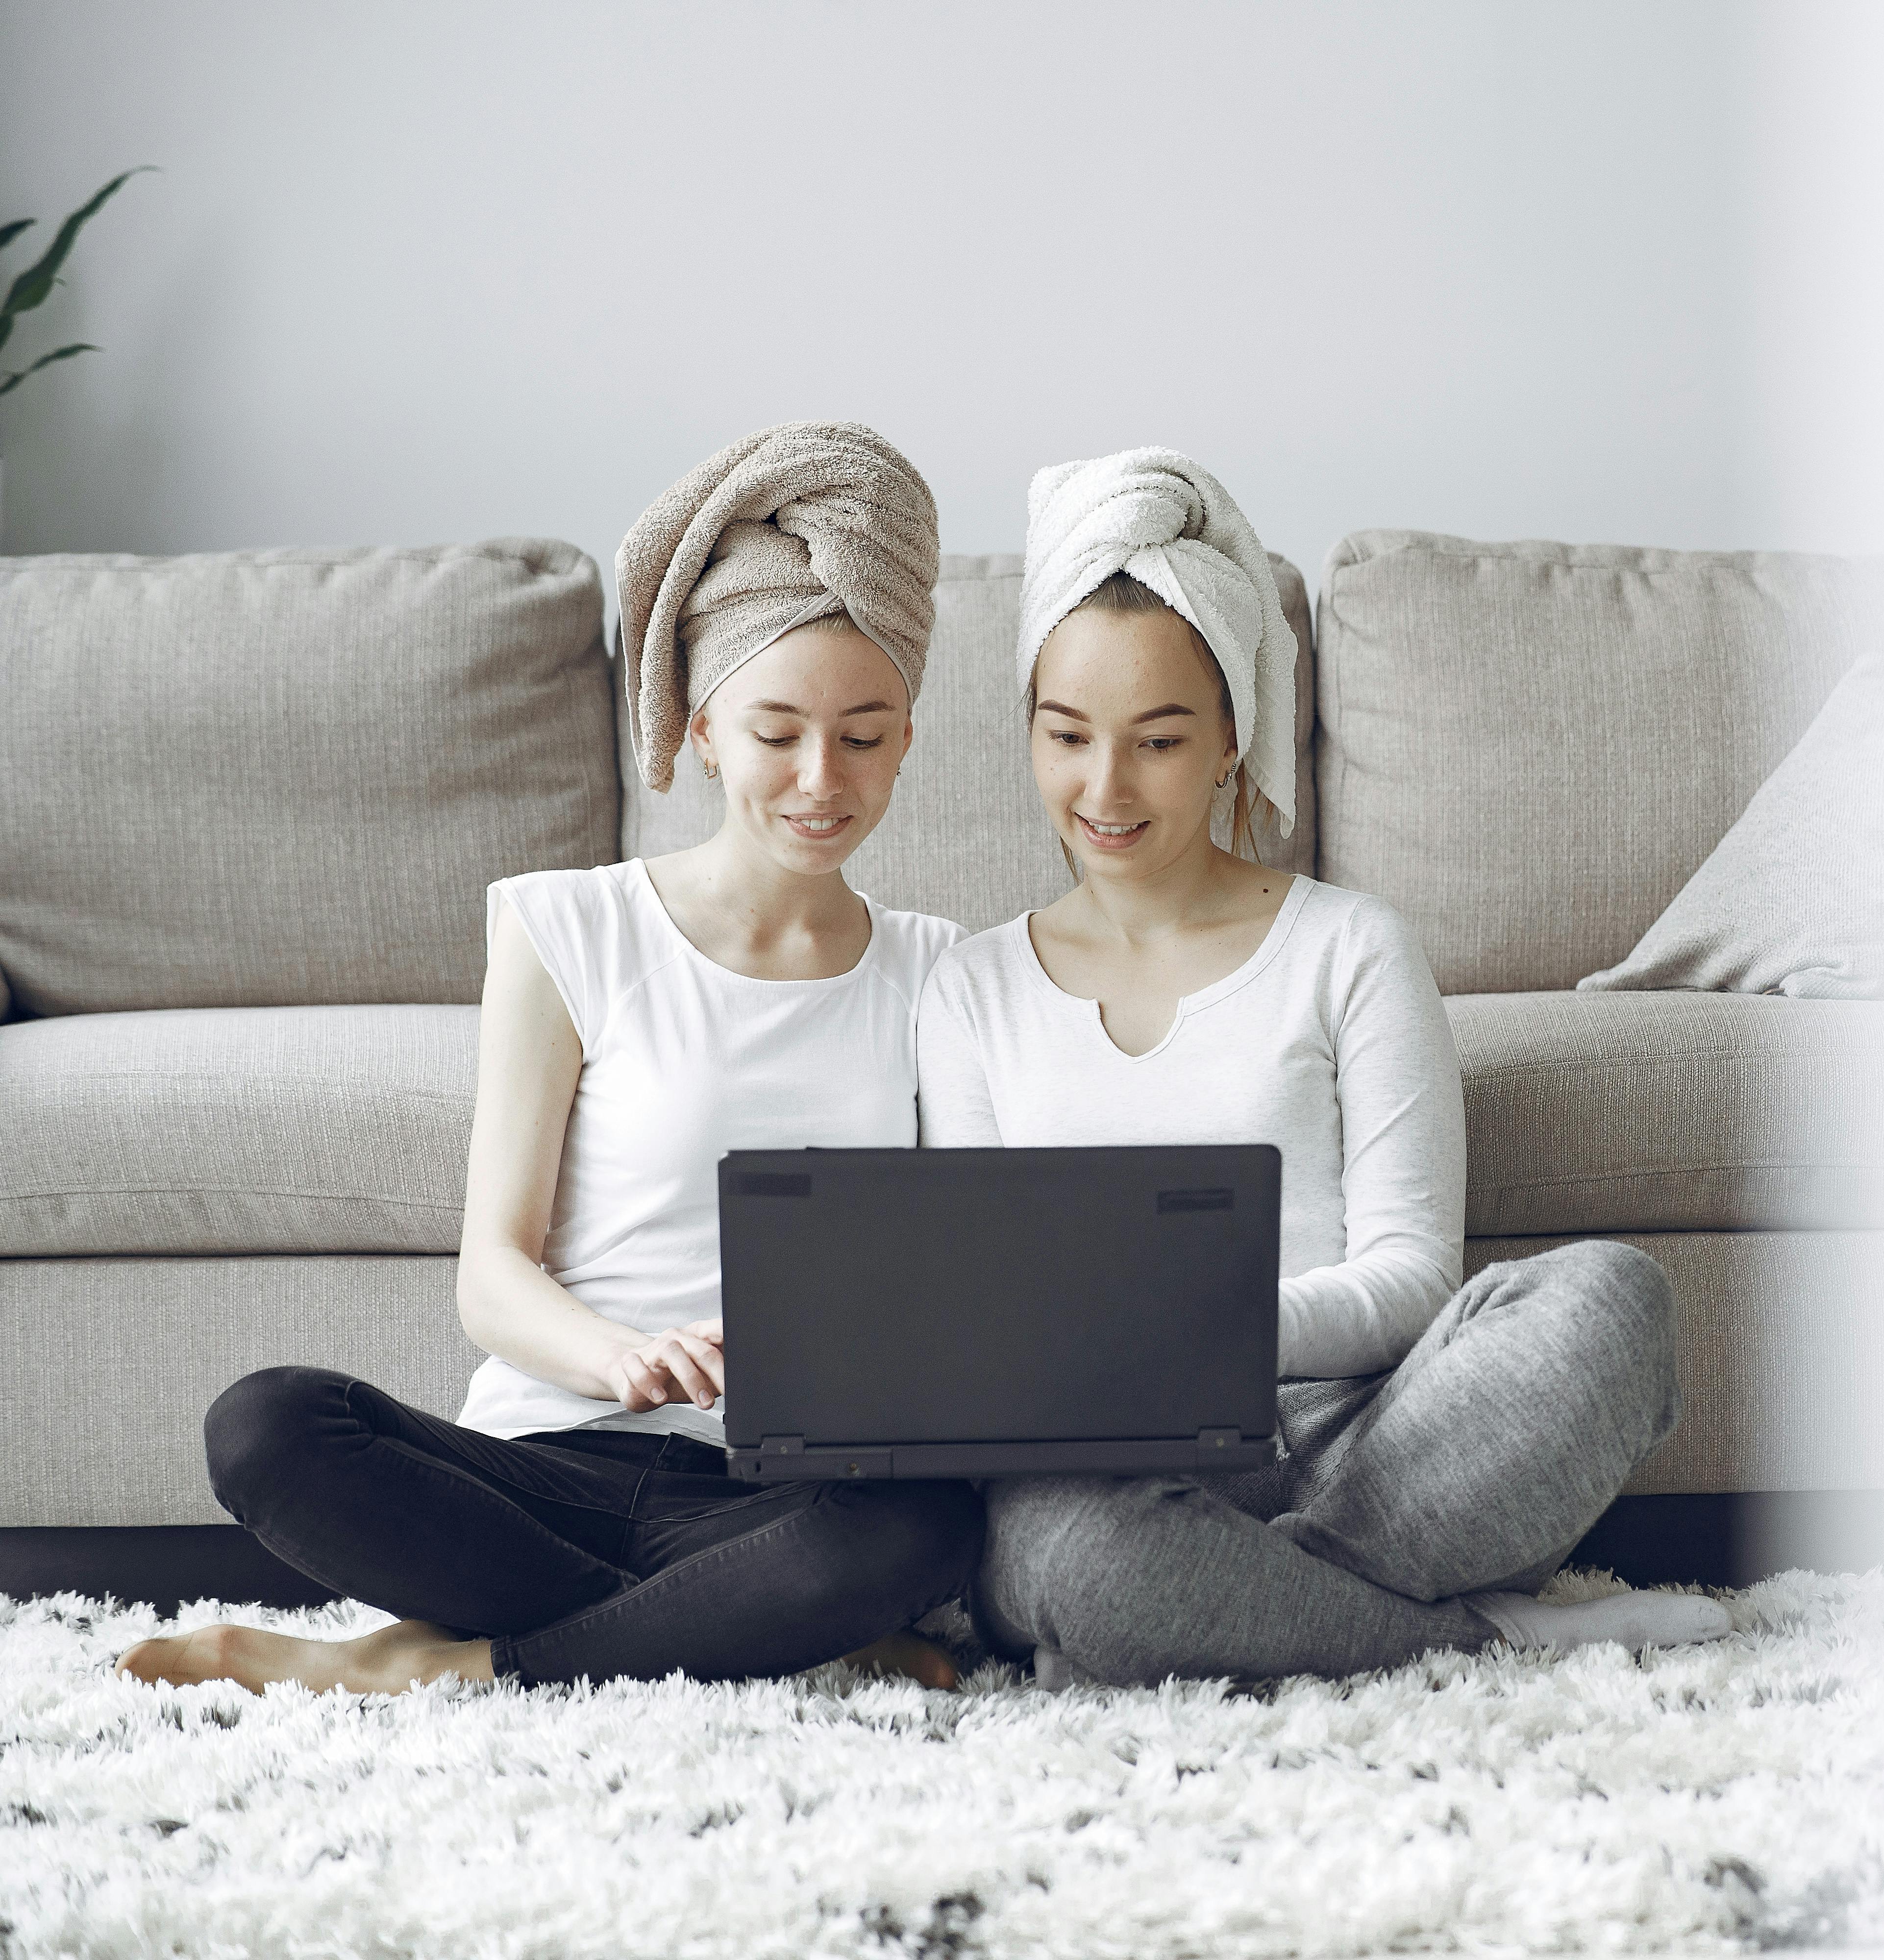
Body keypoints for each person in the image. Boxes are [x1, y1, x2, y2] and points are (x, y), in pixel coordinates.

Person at [120, 422, 985, 1696]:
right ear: (700, 730)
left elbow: (960, 1284)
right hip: (544, 1465)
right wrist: (619, 1360)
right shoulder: (567, 924)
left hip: (775, 1489)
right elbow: (493, 1272)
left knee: (927, 1527)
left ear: (908, 739)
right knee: (269, 1422)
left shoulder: (946, 973)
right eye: (776, 730)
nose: (821, 777)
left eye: (864, 735)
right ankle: (744, 1629)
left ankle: (432, 1667)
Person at [917, 447, 1733, 1687]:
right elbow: (975, 1319)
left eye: (1159, 739)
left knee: (1612, 1303)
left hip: (1365, 1433)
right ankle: (1474, 1633)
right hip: (1107, 1469)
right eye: (1067, 734)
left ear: (1234, 737)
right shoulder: (968, 990)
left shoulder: (1349, 944)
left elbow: (1410, 1276)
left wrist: (1196, 1336)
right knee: (1077, 1558)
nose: (1105, 787)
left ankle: (1234, 1604)